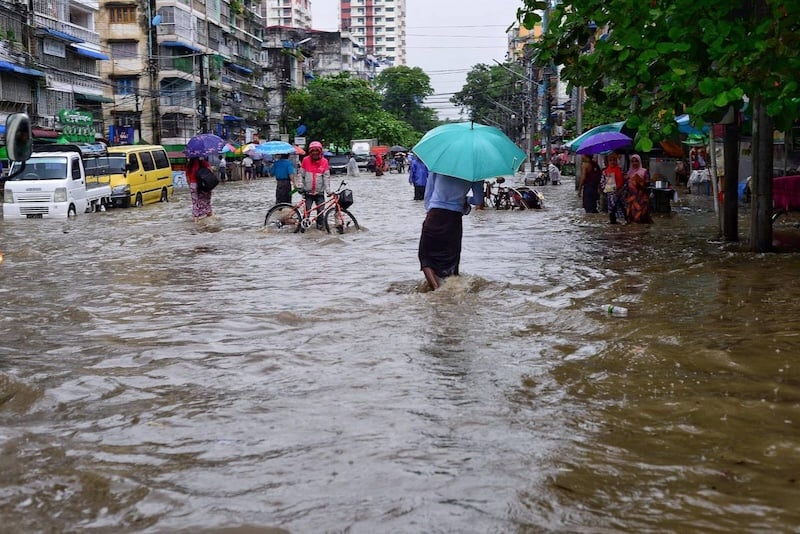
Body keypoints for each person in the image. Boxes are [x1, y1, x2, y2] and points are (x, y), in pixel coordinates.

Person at [418, 172, 484, 290]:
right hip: (454, 219)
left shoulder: (438, 168)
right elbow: (478, 200)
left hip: (434, 215)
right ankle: (450, 290)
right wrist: (466, 199)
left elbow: (428, 196)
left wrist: (431, 210)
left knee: (425, 256)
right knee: (450, 260)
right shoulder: (475, 172)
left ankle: (436, 289)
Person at [295, 141, 330, 229]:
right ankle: (302, 228)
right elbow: (301, 175)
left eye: (317, 151)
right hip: (307, 192)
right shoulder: (305, 160)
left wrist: (328, 191)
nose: (315, 153)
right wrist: (300, 185)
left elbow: (326, 178)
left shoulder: (325, 162)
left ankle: (320, 228)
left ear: (320, 151)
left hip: (319, 193)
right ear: (310, 152)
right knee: (307, 212)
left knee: (321, 212)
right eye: (313, 151)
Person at [625, 154, 652, 224]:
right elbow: (626, 187)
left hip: (641, 199)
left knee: (641, 218)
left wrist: (639, 180)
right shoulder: (629, 173)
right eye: (632, 161)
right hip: (631, 199)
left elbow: (647, 185)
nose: (634, 163)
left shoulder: (644, 172)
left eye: (636, 161)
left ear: (639, 162)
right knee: (631, 219)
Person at [187, 157, 213, 223]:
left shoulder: (189, 165)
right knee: (206, 201)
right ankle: (209, 217)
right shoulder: (204, 163)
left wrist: (191, 186)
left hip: (193, 185)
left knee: (195, 203)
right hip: (203, 185)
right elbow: (210, 173)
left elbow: (187, 178)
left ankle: (196, 220)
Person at [601, 152, 625, 224]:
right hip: (611, 196)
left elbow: (625, 182)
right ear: (607, 162)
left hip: (621, 195)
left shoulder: (621, 171)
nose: (612, 162)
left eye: (614, 160)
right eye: (610, 160)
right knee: (612, 214)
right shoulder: (605, 172)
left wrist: (621, 190)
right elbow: (602, 183)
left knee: (623, 213)